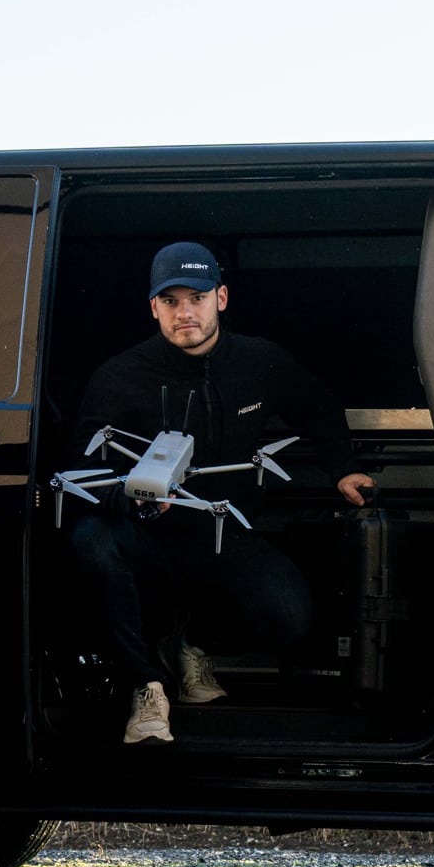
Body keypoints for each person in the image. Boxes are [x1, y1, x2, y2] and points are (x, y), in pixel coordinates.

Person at [68, 241, 374, 744]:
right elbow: (82, 469)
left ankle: (193, 645)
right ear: (154, 308)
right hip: (147, 538)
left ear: (222, 298)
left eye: (197, 297)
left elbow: (317, 405)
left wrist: (343, 469)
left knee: (290, 617)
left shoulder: (260, 361)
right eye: (171, 301)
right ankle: (146, 684)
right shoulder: (119, 376)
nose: (184, 313)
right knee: (91, 540)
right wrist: (129, 497)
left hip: (224, 535)